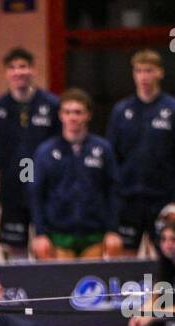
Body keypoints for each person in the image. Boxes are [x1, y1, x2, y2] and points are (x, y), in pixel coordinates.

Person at [106, 50, 175, 254]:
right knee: (126, 260)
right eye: (139, 71)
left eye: (149, 71)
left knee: (169, 257)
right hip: (128, 201)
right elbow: (111, 159)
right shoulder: (121, 110)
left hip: (162, 201)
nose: (144, 76)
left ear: (160, 73)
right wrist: (113, 199)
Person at [29, 89, 122, 259]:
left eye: (78, 112)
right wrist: (40, 233)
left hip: (94, 234)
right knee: (61, 284)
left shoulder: (103, 149)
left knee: (93, 282)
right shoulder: (44, 151)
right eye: (68, 112)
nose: (73, 117)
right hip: (58, 236)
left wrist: (112, 230)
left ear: (88, 115)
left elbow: (113, 192)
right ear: (60, 115)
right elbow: (36, 194)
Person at [0, 48, 60, 259]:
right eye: (13, 68)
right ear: (6, 73)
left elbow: (58, 146)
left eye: (23, 66)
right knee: (15, 248)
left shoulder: (52, 105)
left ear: (33, 70)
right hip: (12, 190)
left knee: (47, 247)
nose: (18, 72)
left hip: (47, 189)